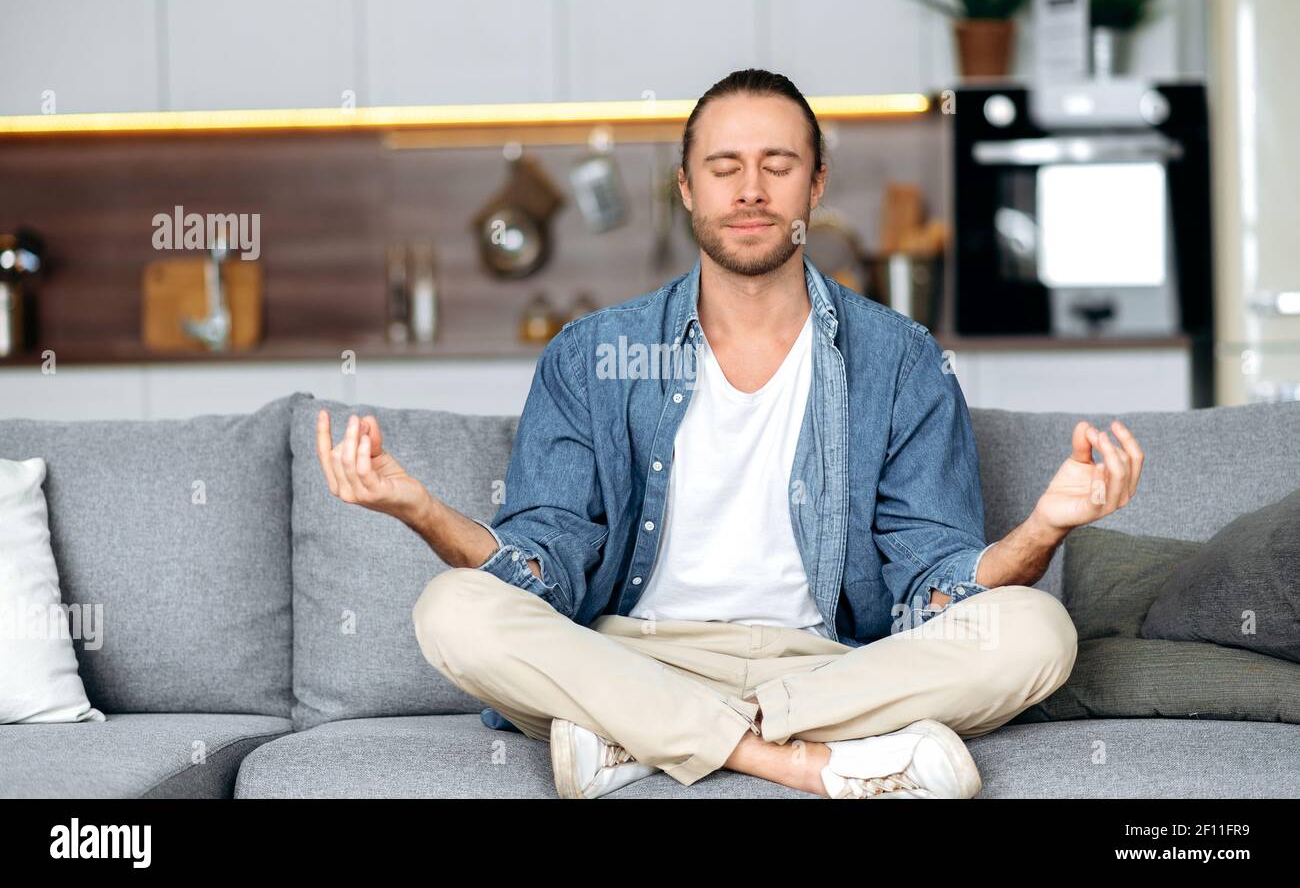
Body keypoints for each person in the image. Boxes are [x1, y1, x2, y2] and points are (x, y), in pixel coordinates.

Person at [316, 69, 1144, 799]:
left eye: (777, 165)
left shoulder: (901, 359)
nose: (751, 190)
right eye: (725, 167)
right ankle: (799, 762)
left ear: (816, 185)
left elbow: (930, 586)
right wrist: (420, 508)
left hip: (829, 665)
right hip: (634, 656)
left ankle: (641, 739)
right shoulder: (594, 354)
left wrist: (1044, 529)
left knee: (1037, 632)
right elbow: (545, 570)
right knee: (451, 610)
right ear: (686, 187)